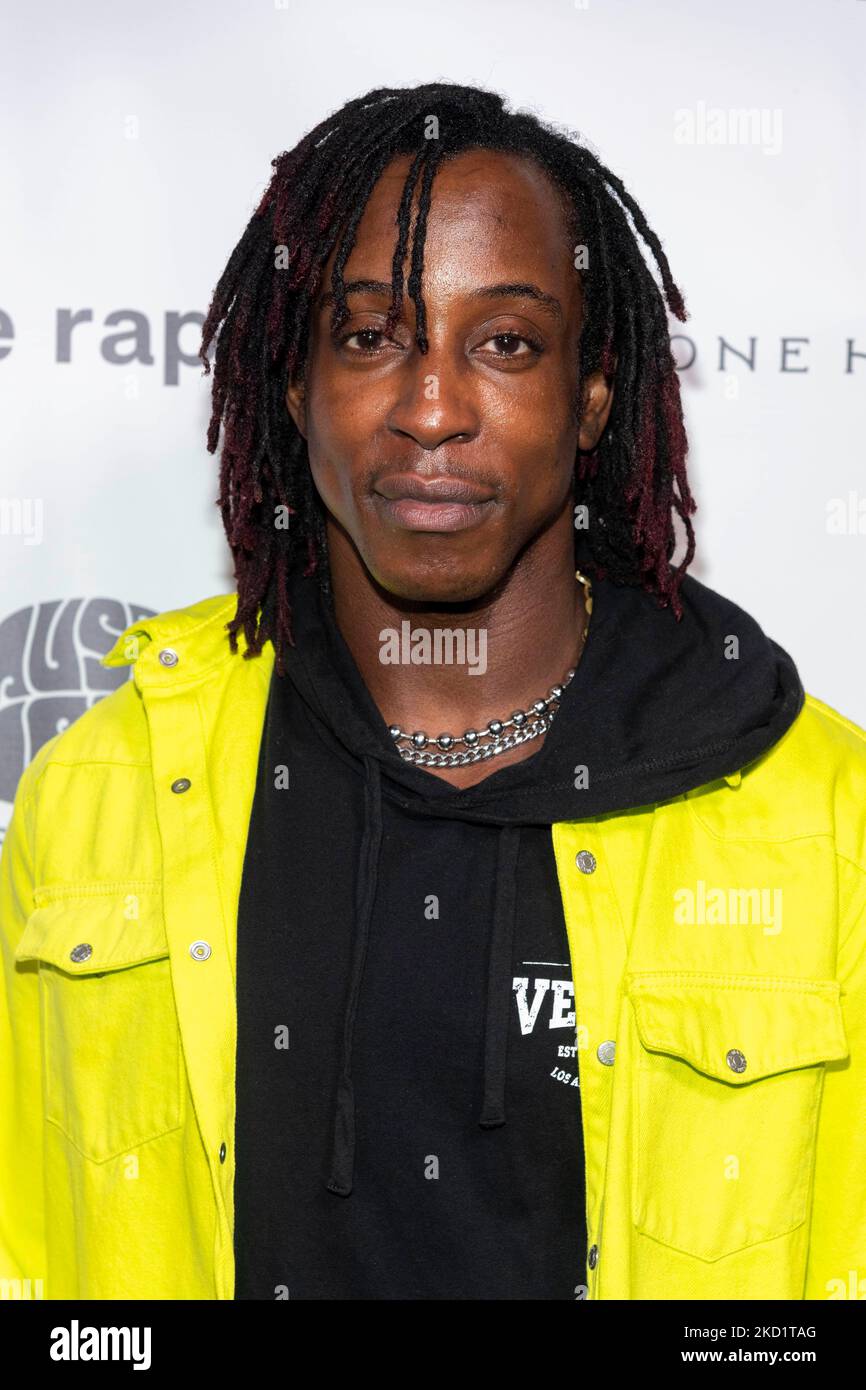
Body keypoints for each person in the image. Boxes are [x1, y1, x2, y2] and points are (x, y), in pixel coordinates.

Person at [1, 82, 864, 1302]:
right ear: (291, 385)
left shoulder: (824, 822)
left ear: (593, 394)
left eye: (505, 342)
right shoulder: (102, 791)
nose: (430, 409)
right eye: (367, 337)